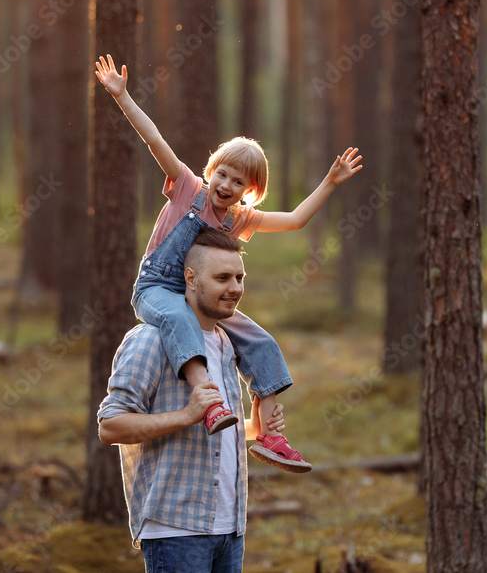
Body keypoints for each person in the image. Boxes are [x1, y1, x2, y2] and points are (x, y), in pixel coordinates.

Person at [95, 54, 362, 471]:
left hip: (204, 298)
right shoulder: (187, 189)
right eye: (223, 174)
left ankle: (270, 434)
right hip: (157, 290)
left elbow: (294, 220)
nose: (227, 185)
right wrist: (123, 97)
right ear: (211, 170)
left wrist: (329, 182)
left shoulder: (239, 219)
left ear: (249, 191)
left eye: (239, 182)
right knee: (179, 320)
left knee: (260, 340)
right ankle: (210, 402)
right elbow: (155, 141)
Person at [99, 229, 279, 571]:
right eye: (223, 278)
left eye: (240, 277)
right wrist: (185, 415)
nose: (235, 288)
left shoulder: (226, 344)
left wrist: (253, 428)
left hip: (230, 529)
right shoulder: (150, 339)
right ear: (191, 279)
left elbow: (209, 432)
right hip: (176, 531)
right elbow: (109, 426)